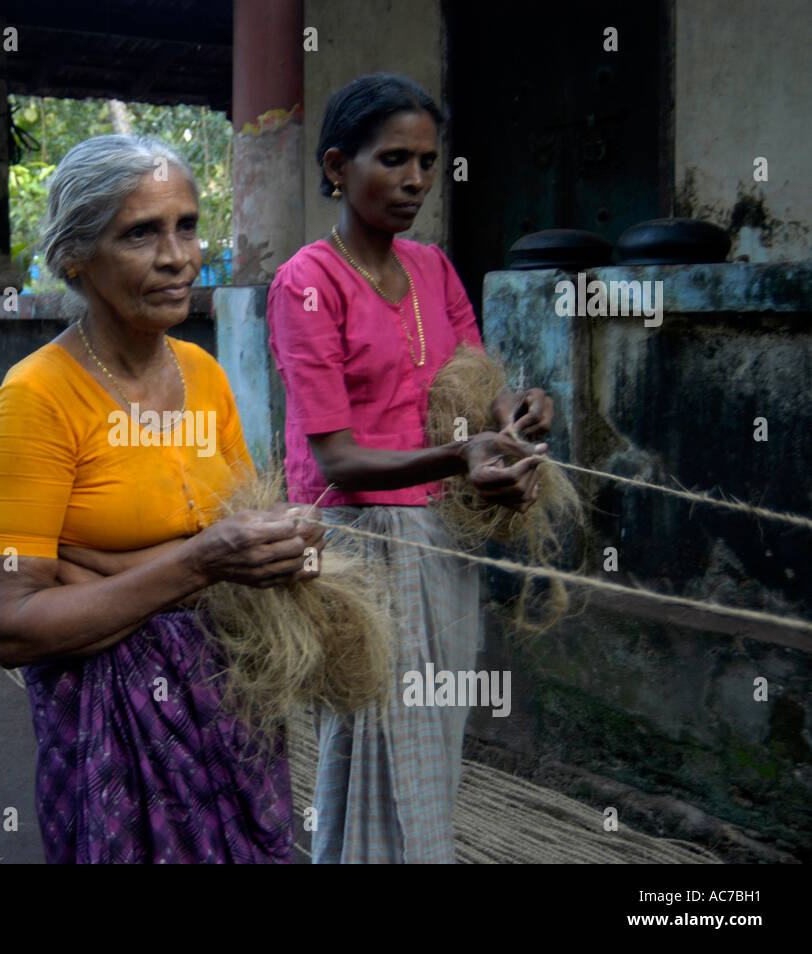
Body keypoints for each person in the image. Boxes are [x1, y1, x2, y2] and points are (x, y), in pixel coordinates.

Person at [0, 135, 322, 864]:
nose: (178, 257)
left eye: (187, 225)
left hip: (233, 706)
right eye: (141, 233)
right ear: (77, 255)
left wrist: (283, 544)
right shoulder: (36, 399)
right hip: (113, 739)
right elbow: (14, 624)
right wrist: (201, 563)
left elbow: (237, 529)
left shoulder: (203, 374)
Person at [266, 73, 555, 864]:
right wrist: (463, 456)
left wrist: (516, 413)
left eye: (427, 162)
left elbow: (475, 378)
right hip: (360, 548)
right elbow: (339, 459)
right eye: (393, 159)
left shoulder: (433, 270)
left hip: (439, 540)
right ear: (335, 165)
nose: (416, 181)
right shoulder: (308, 285)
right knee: (367, 738)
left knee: (432, 737)